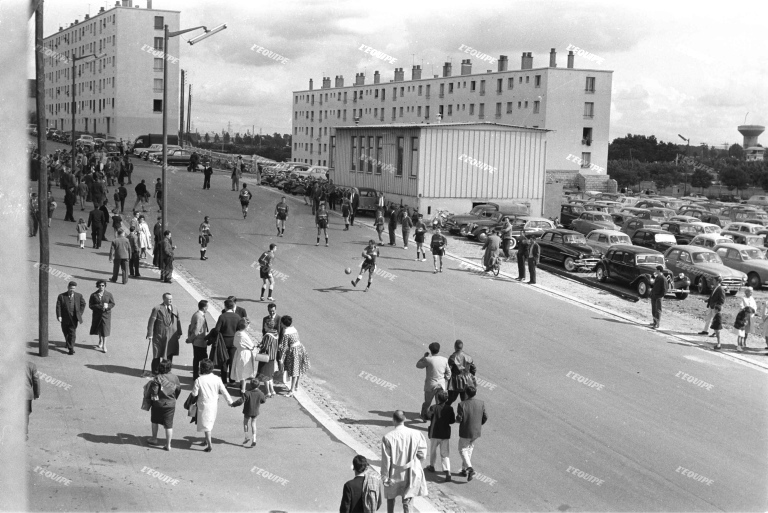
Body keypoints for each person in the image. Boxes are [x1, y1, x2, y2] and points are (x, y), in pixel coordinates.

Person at [380, 410, 428, 512]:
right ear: (405, 419)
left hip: (394, 472)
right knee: (408, 499)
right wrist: (416, 463)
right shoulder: (416, 434)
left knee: (390, 497)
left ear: (393, 420)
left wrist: (385, 476)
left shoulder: (388, 437)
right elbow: (422, 453)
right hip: (411, 470)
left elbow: (386, 460)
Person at [191, 359, 236, 452]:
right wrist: (230, 402)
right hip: (214, 403)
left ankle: (209, 445)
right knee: (209, 422)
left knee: (206, 425)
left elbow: (194, 394)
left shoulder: (199, 380)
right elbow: (224, 391)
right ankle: (205, 440)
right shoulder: (217, 378)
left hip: (203, 404)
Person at [147, 359, 181, 451]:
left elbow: (154, 392)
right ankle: (168, 444)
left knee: (154, 421)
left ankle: (154, 438)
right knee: (168, 425)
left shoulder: (157, 377)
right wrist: (173, 398)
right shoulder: (175, 377)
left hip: (158, 403)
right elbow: (178, 390)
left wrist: (151, 401)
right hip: (170, 404)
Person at [455, 386, 488, 482]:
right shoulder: (481, 403)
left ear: (466, 393)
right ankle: (464, 469)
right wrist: (478, 424)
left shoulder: (462, 404)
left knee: (462, 450)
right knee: (469, 449)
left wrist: (457, 419)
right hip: (476, 431)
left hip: (466, 431)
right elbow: (485, 417)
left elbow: (459, 419)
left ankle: (469, 468)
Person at [146, 293, 183, 374]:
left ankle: (166, 370)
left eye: (171, 299)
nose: (171, 300)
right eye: (169, 299)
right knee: (157, 354)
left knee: (169, 353)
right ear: (164, 299)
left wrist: (179, 332)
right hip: (160, 336)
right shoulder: (157, 308)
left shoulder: (175, 308)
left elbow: (178, 321)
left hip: (171, 336)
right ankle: (155, 371)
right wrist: (150, 334)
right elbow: (151, 322)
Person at [424, 390, 455, 482]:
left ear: (437, 398)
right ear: (446, 400)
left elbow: (427, 416)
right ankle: (447, 471)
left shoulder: (433, 407)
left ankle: (432, 466)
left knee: (433, 451)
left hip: (434, 433)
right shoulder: (450, 409)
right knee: (445, 453)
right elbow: (452, 421)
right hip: (445, 434)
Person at [416, 342, 451, 422]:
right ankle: (438, 419)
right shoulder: (444, 359)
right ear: (438, 350)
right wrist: (444, 379)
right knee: (439, 404)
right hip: (441, 386)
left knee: (427, 403)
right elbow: (449, 373)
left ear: (430, 350)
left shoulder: (428, 359)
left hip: (430, 386)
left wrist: (423, 357)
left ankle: (424, 417)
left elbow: (418, 365)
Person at [279, 316, 310, 397]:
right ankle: (296, 386)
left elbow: (285, 346)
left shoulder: (286, 332)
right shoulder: (294, 329)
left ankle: (291, 390)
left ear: (283, 324)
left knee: (294, 370)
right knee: (298, 368)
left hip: (294, 351)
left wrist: (282, 357)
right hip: (300, 348)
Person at [214, 298, 242, 383]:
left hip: (223, 342)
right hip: (234, 342)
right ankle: (232, 380)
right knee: (232, 361)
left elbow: (217, 330)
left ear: (225, 306)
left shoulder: (222, 316)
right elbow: (240, 329)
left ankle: (224, 381)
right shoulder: (237, 317)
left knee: (224, 362)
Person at [56, 281, 86, 355]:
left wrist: (80, 313)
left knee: (72, 333)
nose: (72, 290)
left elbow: (83, 304)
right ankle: (68, 342)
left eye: (74, 288)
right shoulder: (62, 296)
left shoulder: (79, 296)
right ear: (68, 287)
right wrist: (59, 316)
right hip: (64, 318)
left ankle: (71, 348)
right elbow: (58, 307)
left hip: (74, 318)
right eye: (71, 288)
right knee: (65, 332)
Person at [237, 378, 267, 447]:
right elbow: (263, 401)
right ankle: (254, 439)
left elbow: (242, 400)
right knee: (253, 424)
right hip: (255, 411)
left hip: (247, 410)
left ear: (250, 385)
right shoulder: (260, 393)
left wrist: (233, 404)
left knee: (245, 422)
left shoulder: (247, 393)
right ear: (259, 385)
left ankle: (246, 436)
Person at [446, 340, 476, 406]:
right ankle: (464, 414)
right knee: (465, 401)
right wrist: (470, 376)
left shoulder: (452, 357)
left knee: (450, 400)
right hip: (466, 381)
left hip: (455, 382)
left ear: (455, 347)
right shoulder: (469, 357)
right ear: (462, 347)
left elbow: (448, 370)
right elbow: (473, 369)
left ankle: (445, 412)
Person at [89, 280, 115, 352]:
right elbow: (90, 305)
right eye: (100, 285)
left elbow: (112, 303)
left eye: (103, 285)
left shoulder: (109, 294)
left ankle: (104, 345)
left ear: (105, 286)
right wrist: (99, 306)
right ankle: (100, 340)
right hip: (97, 314)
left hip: (106, 315)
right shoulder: (93, 295)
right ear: (97, 286)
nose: (101, 287)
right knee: (99, 328)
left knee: (105, 330)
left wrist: (108, 306)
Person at [188, 300, 209, 382]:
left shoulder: (197, 314)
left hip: (197, 341)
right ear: (204, 308)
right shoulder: (200, 316)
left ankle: (196, 375)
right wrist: (190, 339)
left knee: (197, 359)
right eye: (207, 307)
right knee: (203, 359)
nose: (207, 309)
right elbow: (196, 331)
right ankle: (201, 376)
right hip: (199, 341)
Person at [735, 287, 757, 351]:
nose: (751, 293)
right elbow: (741, 306)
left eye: (752, 292)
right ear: (746, 292)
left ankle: (744, 341)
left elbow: (755, 306)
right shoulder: (743, 298)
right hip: (744, 317)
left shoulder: (752, 299)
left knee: (747, 330)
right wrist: (747, 309)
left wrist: (753, 311)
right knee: (741, 330)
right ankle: (740, 343)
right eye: (750, 291)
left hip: (750, 317)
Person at [26, 361, 40, 440]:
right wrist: (36, 393)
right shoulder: (31, 365)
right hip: (26, 395)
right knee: (25, 414)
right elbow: (36, 380)